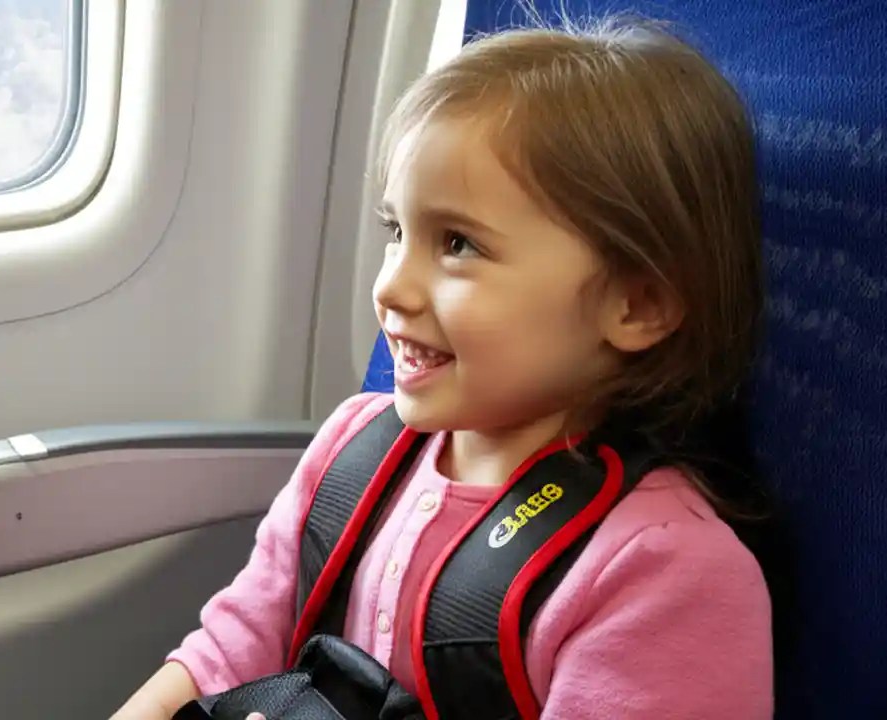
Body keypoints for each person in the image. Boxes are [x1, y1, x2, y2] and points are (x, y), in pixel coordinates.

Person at [113, 13, 773, 720]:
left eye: (459, 244)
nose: (391, 287)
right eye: (396, 231)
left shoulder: (655, 568)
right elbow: (229, 653)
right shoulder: (351, 450)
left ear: (637, 305)